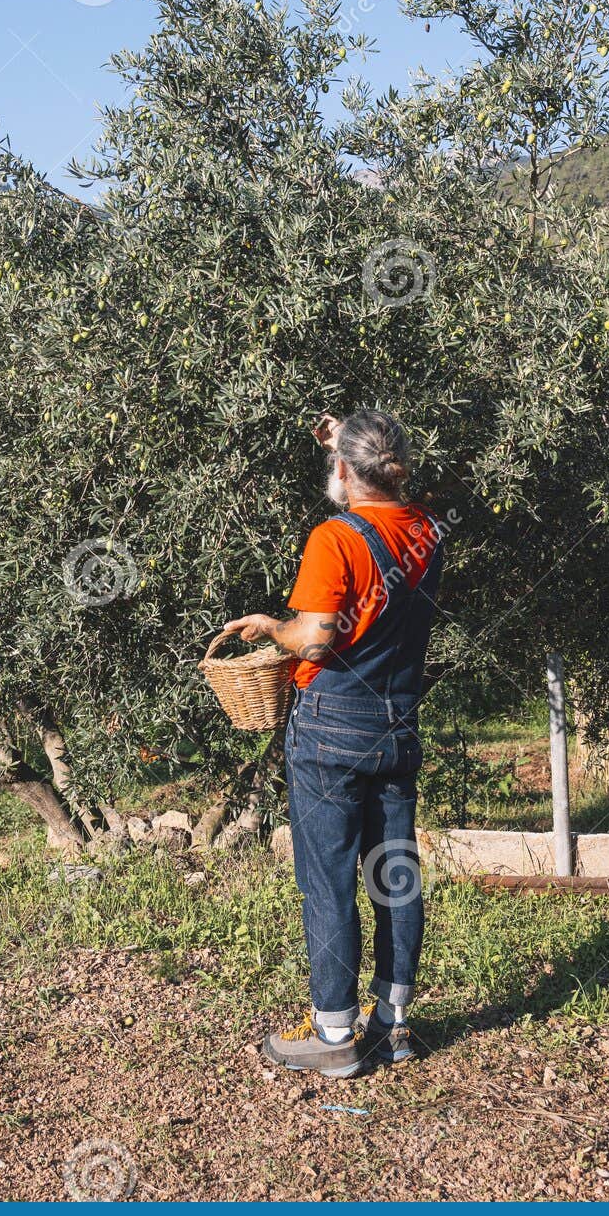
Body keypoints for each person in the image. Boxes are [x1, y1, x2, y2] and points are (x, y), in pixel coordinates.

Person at [225, 409, 443, 1078]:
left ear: (347, 471)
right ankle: (394, 1026)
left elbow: (316, 638)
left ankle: (333, 1035)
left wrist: (271, 626)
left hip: (331, 723)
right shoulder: (428, 532)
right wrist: (347, 442)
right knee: (394, 876)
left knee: (327, 880)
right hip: (396, 721)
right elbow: (388, 493)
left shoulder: (334, 538)